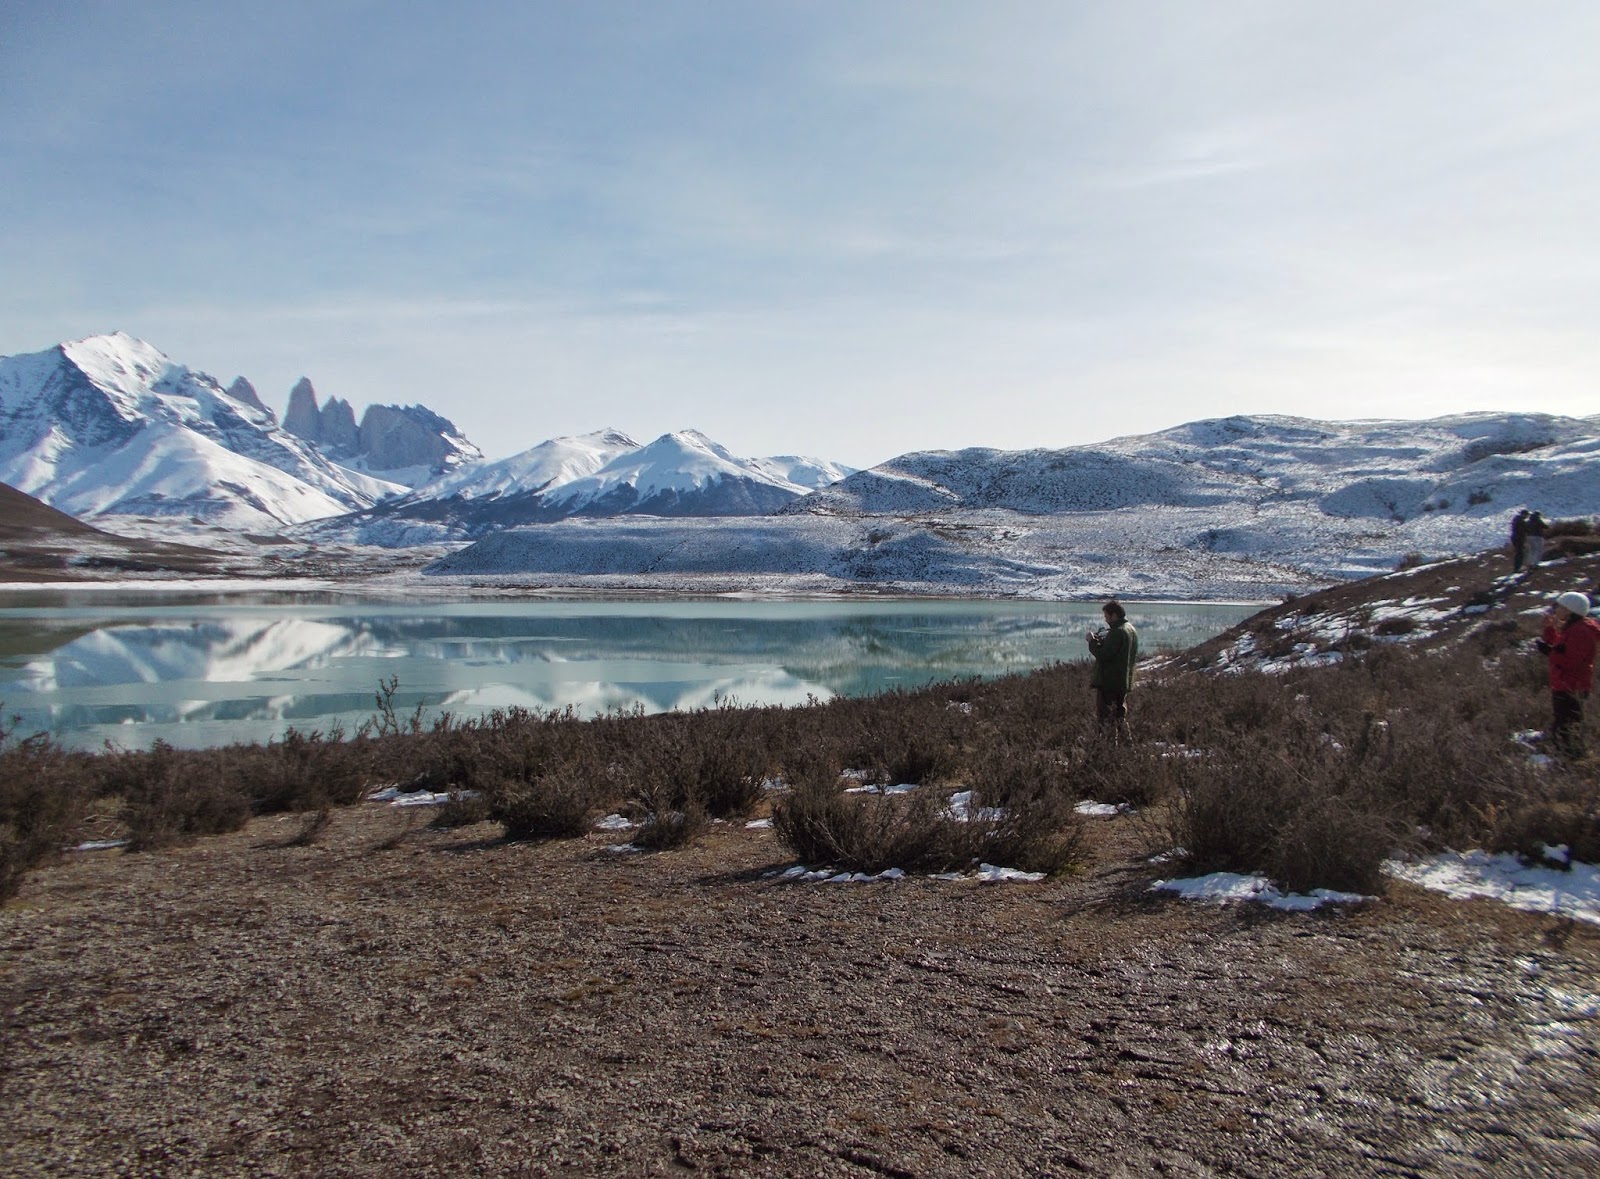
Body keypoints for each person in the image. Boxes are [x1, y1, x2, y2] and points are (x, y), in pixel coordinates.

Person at [1535, 591, 1599, 759]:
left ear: (1571, 611)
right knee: (1565, 724)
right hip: (1567, 684)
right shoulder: (1575, 628)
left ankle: (1570, 761)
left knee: (1567, 727)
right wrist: (1549, 630)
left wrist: (1550, 652)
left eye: (1561, 607)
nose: (1556, 610)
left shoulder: (1580, 631)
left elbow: (1572, 661)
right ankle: (1568, 758)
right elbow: (1561, 647)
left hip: (1571, 686)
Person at [1086, 599, 1138, 743]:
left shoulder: (1117, 631)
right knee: (1120, 715)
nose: (1106, 620)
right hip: (1122, 681)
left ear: (1114, 615)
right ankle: (1127, 748)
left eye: (1106, 616)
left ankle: (1107, 751)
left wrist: (1092, 642)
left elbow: (1104, 655)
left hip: (1109, 681)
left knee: (1105, 719)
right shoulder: (1130, 629)